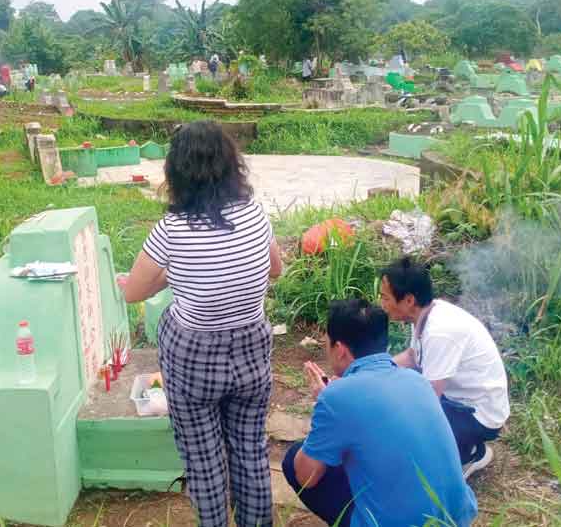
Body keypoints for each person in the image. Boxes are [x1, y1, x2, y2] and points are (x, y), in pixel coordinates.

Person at [117, 121, 283, 527]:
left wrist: (173, 274)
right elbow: (275, 269)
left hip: (194, 356)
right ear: (231, 165)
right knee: (250, 449)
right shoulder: (256, 214)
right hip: (251, 349)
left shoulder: (171, 230)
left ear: (177, 171)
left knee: (204, 461)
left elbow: (133, 292)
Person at [282, 299, 478, 527]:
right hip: (455, 517)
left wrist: (326, 403)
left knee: (293, 459)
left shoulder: (337, 397)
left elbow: (306, 476)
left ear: (340, 350)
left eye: (327, 342)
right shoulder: (417, 380)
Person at [381, 257, 510, 478]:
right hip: (459, 397)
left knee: (407, 429)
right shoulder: (426, 314)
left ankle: (470, 454)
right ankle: (458, 447)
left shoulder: (440, 331)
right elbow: (412, 356)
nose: (382, 303)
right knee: (399, 393)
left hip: (479, 413)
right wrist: (371, 372)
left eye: (385, 297)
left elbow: (429, 401)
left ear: (409, 300)